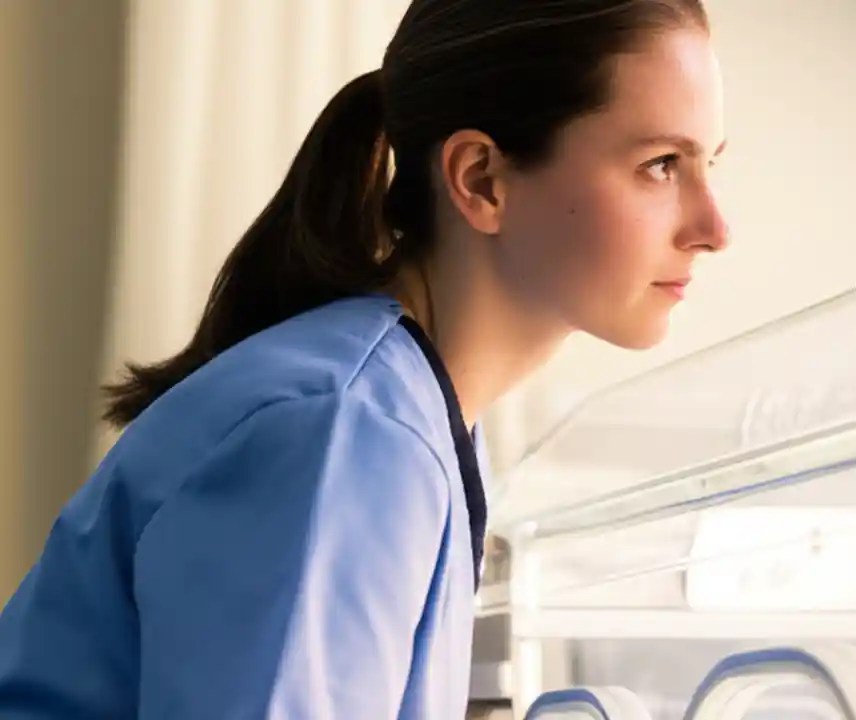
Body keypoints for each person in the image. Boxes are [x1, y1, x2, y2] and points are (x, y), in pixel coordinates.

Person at [0, 0, 729, 716]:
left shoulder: (408, 412)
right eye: (661, 164)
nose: (713, 226)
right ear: (481, 180)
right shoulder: (347, 431)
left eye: (708, 164)